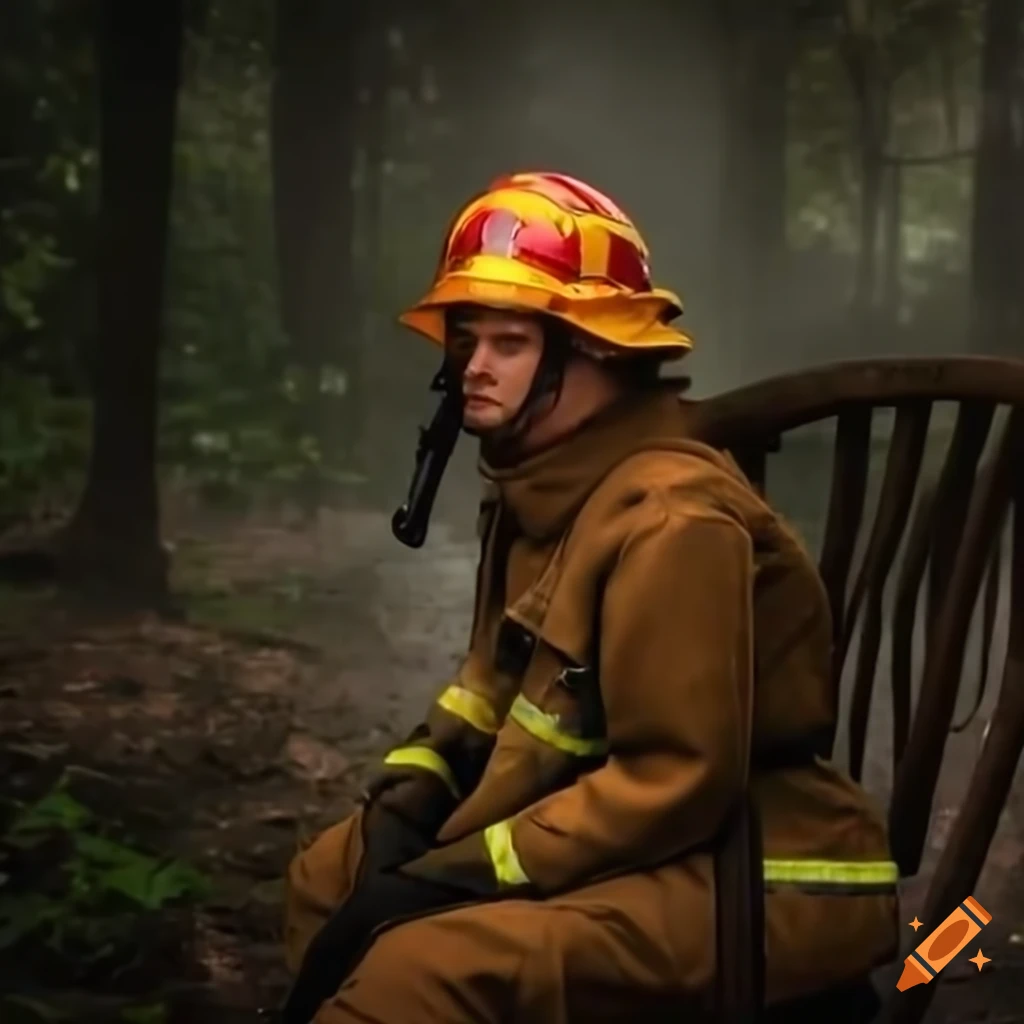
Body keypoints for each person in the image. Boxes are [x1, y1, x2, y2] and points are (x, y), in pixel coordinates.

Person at [280, 171, 899, 1024]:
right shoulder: (541, 496)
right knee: (329, 877)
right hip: (608, 836)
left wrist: (468, 872)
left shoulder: (672, 521)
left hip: (753, 872)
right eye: (467, 342)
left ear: (597, 350)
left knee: (421, 970)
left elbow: (673, 781)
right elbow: (486, 699)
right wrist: (410, 808)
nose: (474, 370)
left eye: (509, 343)